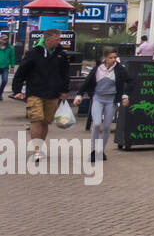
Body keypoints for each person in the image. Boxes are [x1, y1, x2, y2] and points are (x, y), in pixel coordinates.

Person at [10, 27, 72, 166]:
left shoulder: (61, 55)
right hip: (35, 93)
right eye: (57, 39)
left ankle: (40, 147)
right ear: (48, 39)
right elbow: (21, 72)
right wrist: (17, 90)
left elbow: (65, 74)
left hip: (53, 93)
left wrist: (64, 91)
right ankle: (36, 150)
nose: (59, 41)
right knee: (36, 120)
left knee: (45, 121)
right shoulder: (33, 53)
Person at [73, 46, 131, 162]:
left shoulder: (119, 69)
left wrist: (125, 96)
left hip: (111, 100)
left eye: (115, 57)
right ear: (104, 58)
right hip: (98, 99)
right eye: (111, 57)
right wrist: (79, 95)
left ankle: (101, 151)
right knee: (97, 123)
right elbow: (87, 81)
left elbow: (130, 81)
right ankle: (94, 150)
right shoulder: (98, 69)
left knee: (107, 126)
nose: (114, 59)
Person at [0, 32, 14, 98]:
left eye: (6, 39)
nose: (5, 41)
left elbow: (12, 57)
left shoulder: (10, 48)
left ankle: (0, 93)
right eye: (4, 39)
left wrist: (12, 66)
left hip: (5, 67)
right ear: (0, 39)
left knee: (5, 80)